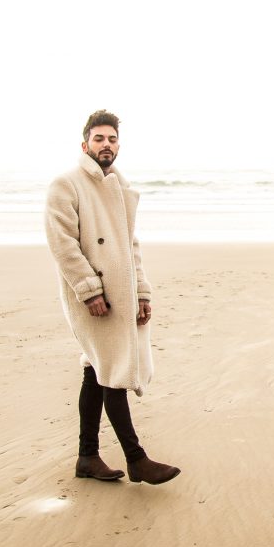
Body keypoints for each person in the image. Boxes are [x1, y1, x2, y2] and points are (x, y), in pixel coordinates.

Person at [45, 109, 180, 485]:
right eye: (100, 138)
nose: (107, 145)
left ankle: (87, 457)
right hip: (91, 295)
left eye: (113, 139)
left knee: (97, 370)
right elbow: (62, 244)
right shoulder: (66, 184)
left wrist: (141, 292)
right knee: (113, 371)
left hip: (120, 293)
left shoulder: (120, 187)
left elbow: (129, 246)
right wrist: (89, 290)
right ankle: (137, 459)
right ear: (85, 143)